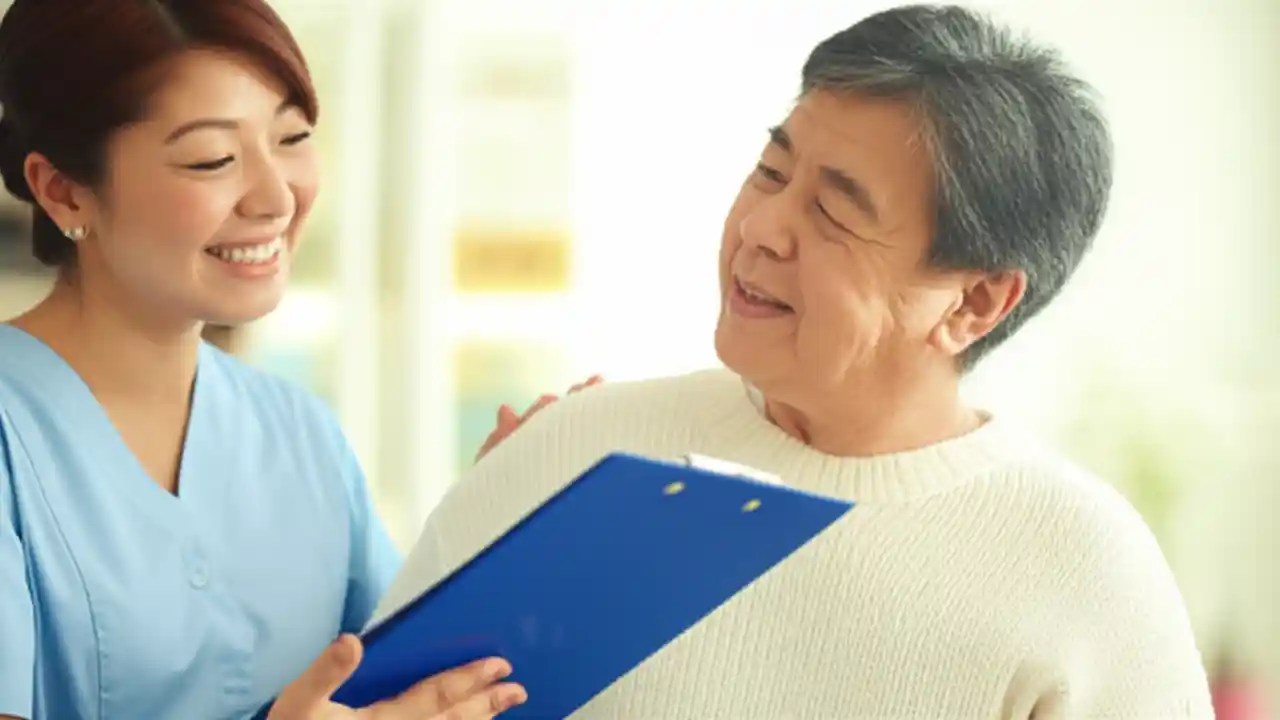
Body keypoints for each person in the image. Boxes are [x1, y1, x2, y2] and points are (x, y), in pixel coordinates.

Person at [377, 5, 1214, 718]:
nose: (762, 228)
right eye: (771, 172)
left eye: (833, 214)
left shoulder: (1085, 568)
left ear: (974, 303)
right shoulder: (574, 452)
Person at [0, 1, 547, 718]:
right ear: (63, 189)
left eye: (291, 138)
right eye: (212, 159)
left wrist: (497, 533)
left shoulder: (299, 434)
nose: (276, 196)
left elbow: (406, 684)